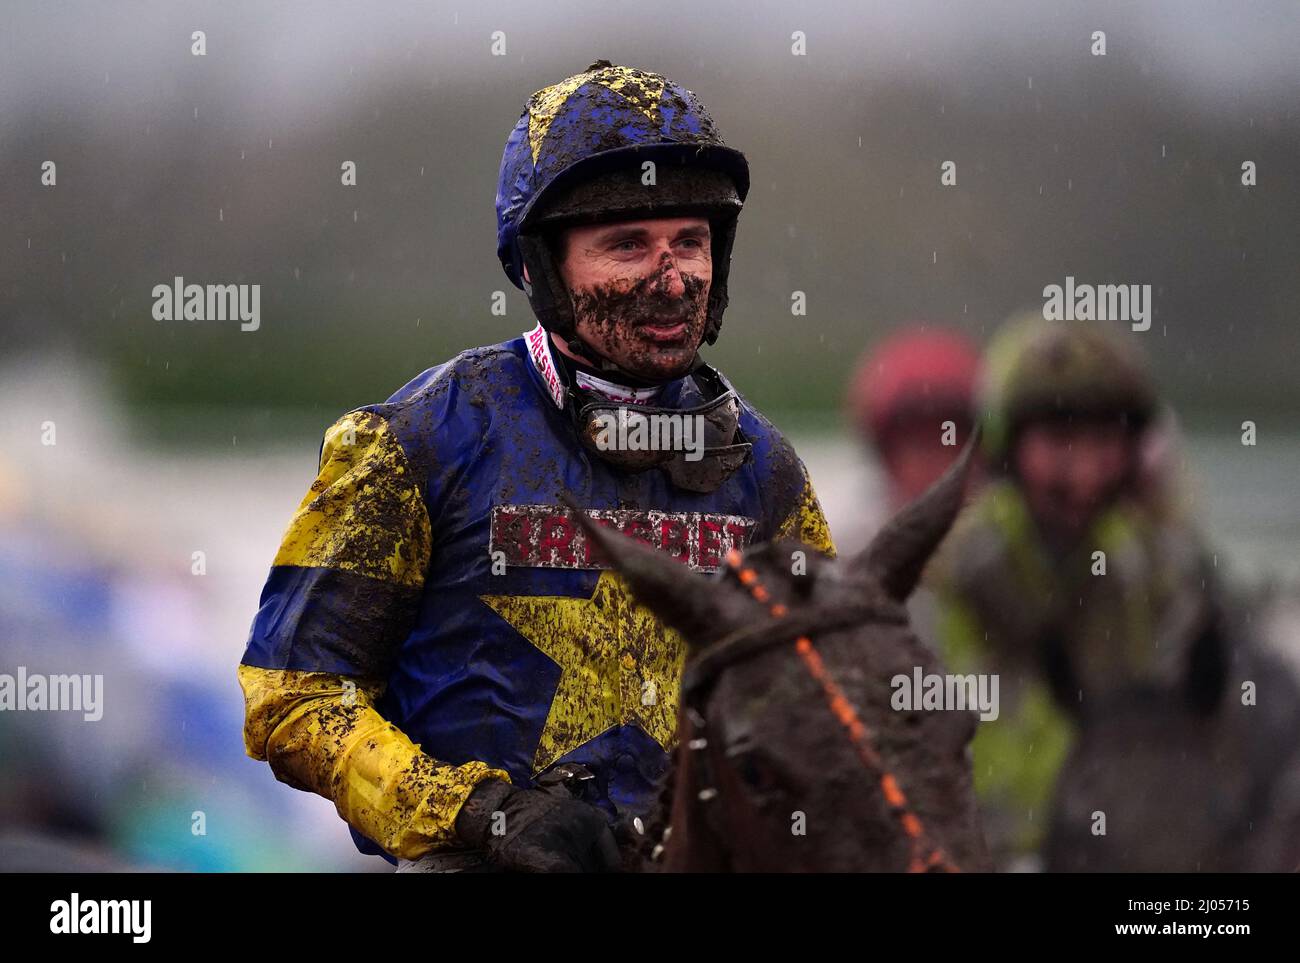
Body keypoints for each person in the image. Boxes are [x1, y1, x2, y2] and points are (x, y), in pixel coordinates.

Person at [236, 60, 835, 872]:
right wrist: (480, 814)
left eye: (690, 242)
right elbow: (291, 698)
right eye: (628, 245)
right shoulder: (413, 443)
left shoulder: (769, 476)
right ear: (537, 268)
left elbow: (828, 712)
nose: (672, 279)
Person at [927, 312, 1214, 868]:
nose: (1085, 472)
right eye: (1060, 440)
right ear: (1010, 447)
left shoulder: (1160, 571)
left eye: (1106, 439)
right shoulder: (946, 567)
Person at [845, 326, 982, 511]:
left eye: (948, 443)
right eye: (920, 446)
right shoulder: (845, 534)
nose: (935, 465)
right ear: (888, 458)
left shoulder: (1010, 531)